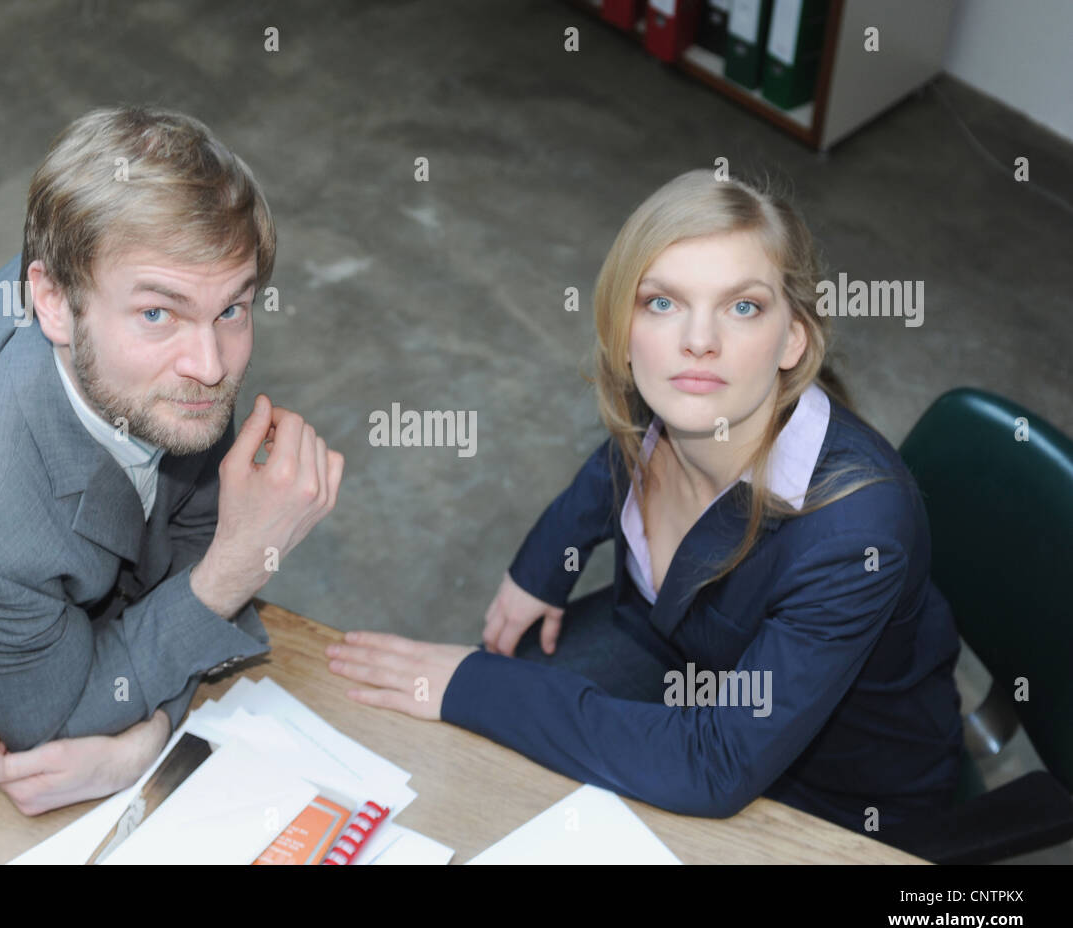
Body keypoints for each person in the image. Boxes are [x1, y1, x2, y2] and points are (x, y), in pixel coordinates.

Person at [0, 105, 342, 862]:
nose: (211, 366)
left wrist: (144, 730)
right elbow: (71, 714)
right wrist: (238, 567)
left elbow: (186, 536)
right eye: (157, 313)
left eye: (234, 307)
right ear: (51, 300)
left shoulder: (145, 302)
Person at [327, 169, 964, 838]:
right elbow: (616, 463)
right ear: (624, 328)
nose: (698, 339)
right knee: (452, 767)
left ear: (794, 338)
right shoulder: (679, 394)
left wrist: (470, 684)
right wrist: (544, 562)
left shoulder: (854, 529)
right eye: (662, 302)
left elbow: (714, 766)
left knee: (491, 752)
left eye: (742, 306)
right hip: (674, 650)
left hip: (826, 789)